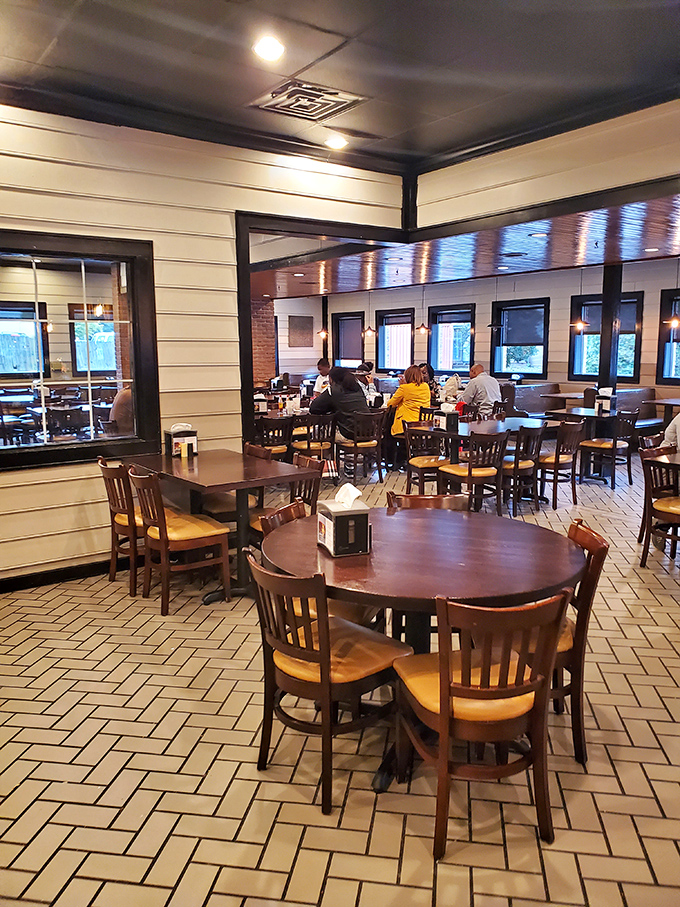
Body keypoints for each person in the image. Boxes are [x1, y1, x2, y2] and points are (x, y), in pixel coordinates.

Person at [309, 365, 369, 441]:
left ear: (331, 379)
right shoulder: (358, 388)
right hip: (369, 433)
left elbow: (313, 408)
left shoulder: (332, 391)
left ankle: (323, 452)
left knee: (319, 431)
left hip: (349, 434)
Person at [386, 364, 431, 436]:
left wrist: (401, 385)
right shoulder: (425, 386)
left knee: (387, 431)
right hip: (423, 425)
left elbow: (391, 404)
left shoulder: (404, 388)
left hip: (407, 425)